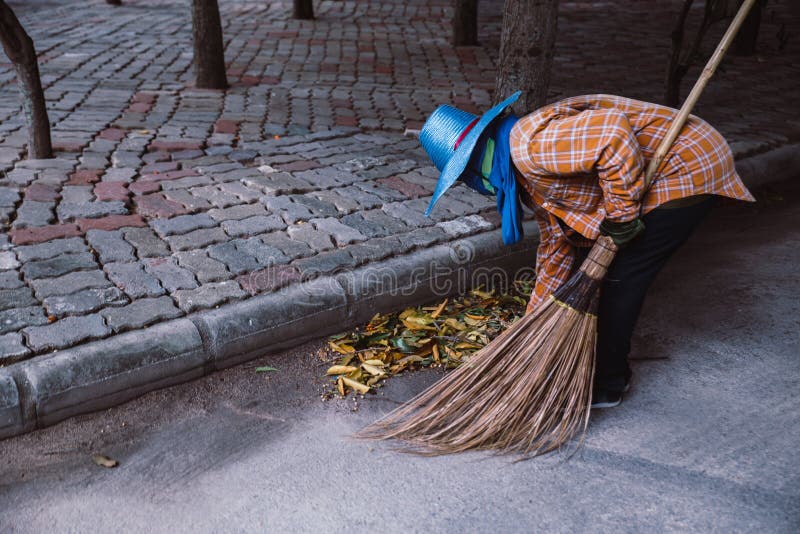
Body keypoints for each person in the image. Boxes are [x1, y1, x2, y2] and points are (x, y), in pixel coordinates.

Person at [420, 92, 754, 408]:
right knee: (597, 269)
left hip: (685, 164)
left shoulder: (530, 148)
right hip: (664, 170)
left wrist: (621, 217)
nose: (475, 186)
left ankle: (607, 384)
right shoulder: (526, 177)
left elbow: (612, 134)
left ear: (476, 165)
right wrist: (534, 327)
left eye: (466, 177)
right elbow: (556, 250)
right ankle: (601, 367)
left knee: (620, 281)